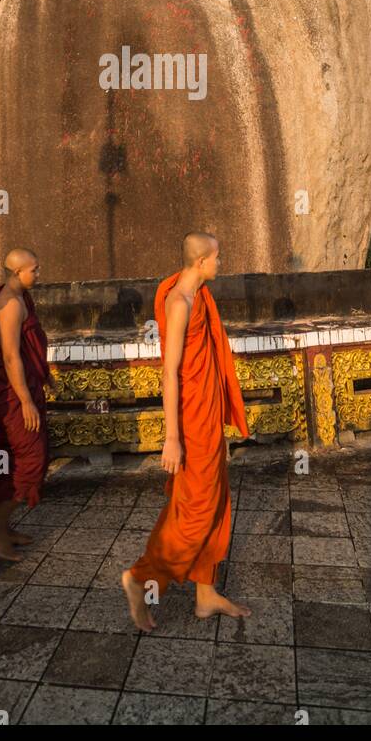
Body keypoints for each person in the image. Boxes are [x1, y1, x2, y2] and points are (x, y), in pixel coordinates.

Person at [122, 232, 251, 632]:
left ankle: (205, 592)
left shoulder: (200, 297)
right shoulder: (179, 302)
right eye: (217, 258)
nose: (220, 264)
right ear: (201, 262)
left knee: (214, 501)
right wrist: (172, 437)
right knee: (195, 512)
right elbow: (170, 373)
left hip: (208, 415)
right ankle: (142, 578)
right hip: (191, 422)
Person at [0, 248, 50, 560]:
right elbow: (9, 357)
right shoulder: (9, 305)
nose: (38, 273)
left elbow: (28, 346)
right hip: (10, 395)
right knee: (31, 460)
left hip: (18, 388)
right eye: (33, 269)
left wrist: (46, 377)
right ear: (17, 273)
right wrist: (26, 401)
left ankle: (4, 529)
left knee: (8, 456)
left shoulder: (17, 296)